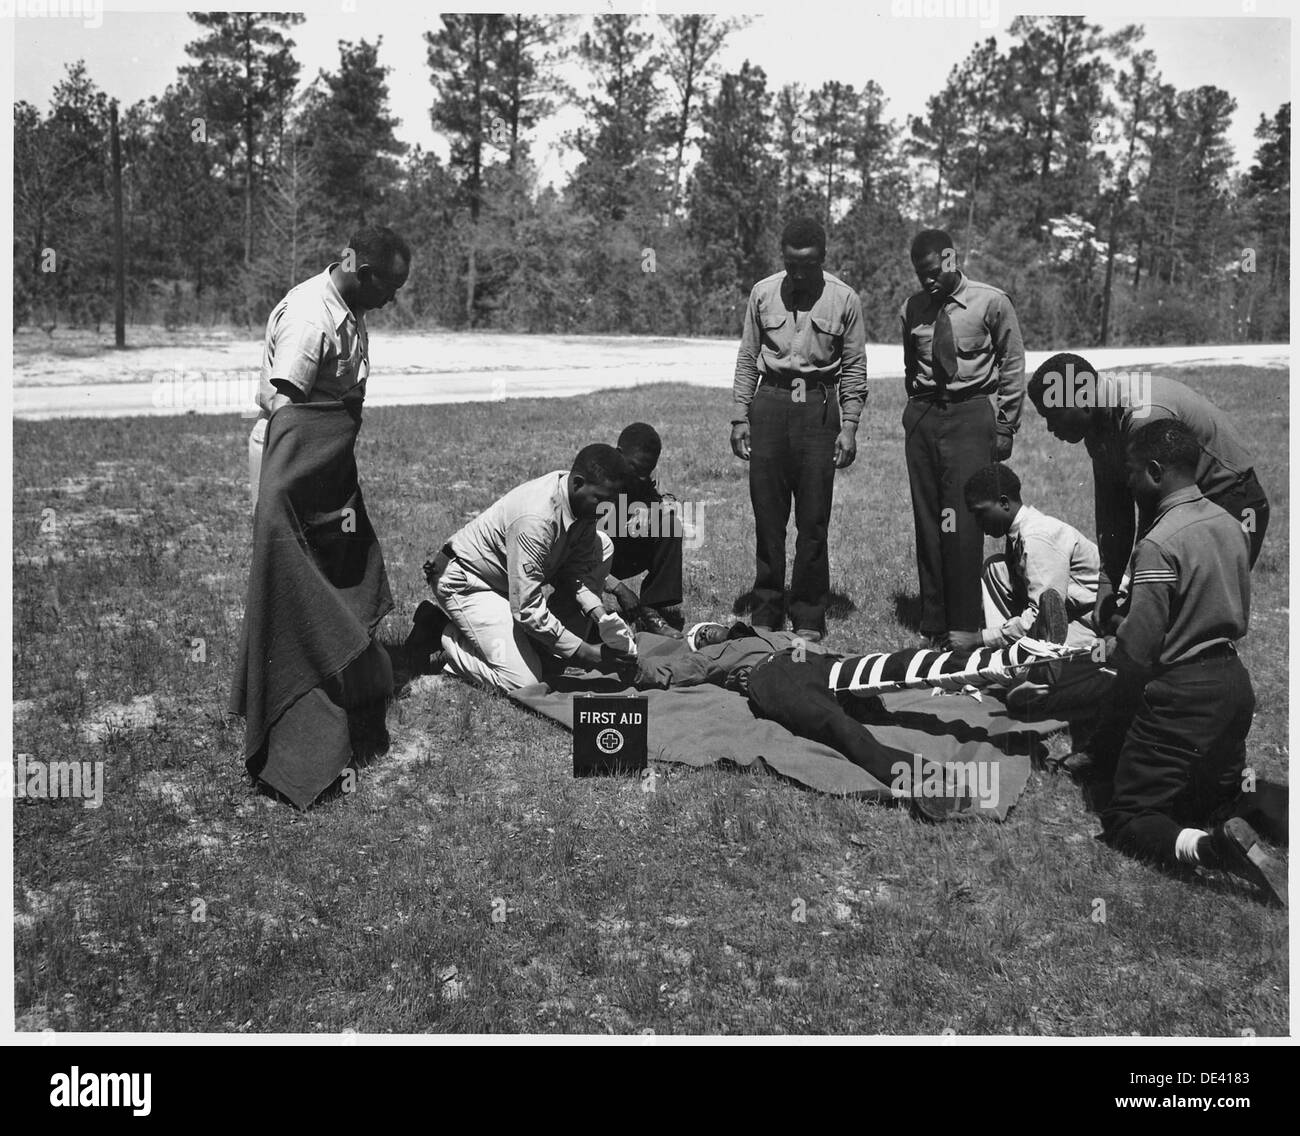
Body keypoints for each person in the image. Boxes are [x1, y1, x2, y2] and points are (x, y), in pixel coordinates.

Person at [229, 226, 411, 810]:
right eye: (387, 284)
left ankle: (331, 672)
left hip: (321, 464)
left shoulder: (348, 307)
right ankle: (288, 709)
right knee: (293, 584)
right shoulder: (313, 316)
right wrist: (286, 503)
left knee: (335, 574)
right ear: (357, 264)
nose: (390, 298)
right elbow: (289, 414)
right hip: (292, 468)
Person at [1081, 419, 1285, 906]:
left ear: (1154, 471)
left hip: (1182, 694)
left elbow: (1141, 646)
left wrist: (1115, 640)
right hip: (1234, 683)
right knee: (1217, 797)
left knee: (1128, 816)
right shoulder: (1227, 521)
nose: (1127, 483)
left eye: (1132, 473)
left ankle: (1213, 850)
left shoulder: (1158, 541)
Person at [1028, 352, 1269, 634]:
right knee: (1152, 627)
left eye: (1052, 416)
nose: (1050, 428)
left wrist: (1132, 602)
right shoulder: (1097, 421)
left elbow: (1157, 521)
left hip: (1232, 503)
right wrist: (1107, 588)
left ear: (1081, 400)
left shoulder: (1143, 414)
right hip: (1188, 511)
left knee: (1191, 628)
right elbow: (1113, 512)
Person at [730, 217, 866, 642]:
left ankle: (808, 614)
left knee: (813, 520)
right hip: (770, 406)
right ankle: (766, 609)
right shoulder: (763, 293)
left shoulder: (845, 299)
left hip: (817, 410)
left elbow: (855, 368)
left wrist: (849, 427)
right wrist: (740, 416)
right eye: (791, 265)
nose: (799, 274)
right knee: (768, 518)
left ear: (822, 260)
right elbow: (748, 357)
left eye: (807, 265)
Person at [407, 444, 637, 692]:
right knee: (523, 682)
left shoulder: (582, 502)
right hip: (468, 581)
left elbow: (576, 574)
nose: (607, 508)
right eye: (602, 499)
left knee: (602, 545)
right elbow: (527, 609)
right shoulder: (536, 519)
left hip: (508, 583)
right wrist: (584, 652)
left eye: (612, 500)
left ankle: (545, 648)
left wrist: (600, 615)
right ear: (578, 483)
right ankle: (439, 628)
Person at [901, 229, 1025, 648]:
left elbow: (1012, 364)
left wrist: (1005, 424)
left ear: (952, 260)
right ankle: (933, 621)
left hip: (971, 415)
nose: (928, 282)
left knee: (964, 519)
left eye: (934, 272)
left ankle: (965, 624)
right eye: (921, 275)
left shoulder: (992, 302)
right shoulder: (914, 308)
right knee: (929, 518)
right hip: (923, 416)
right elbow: (909, 363)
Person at [959, 462, 1100, 651]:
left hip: (1097, 618)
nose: (978, 523)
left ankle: (1011, 653)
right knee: (996, 568)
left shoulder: (1037, 537)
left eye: (980, 513)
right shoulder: (1020, 531)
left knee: (1039, 665)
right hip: (1068, 611)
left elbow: (1045, 615)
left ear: (1004, 503)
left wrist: (980, 638)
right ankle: (1008, 650)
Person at [602, 423, 684, 639]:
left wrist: (652, 509)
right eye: (636, 469)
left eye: (647, 471)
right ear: (619, 454)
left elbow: (670, 501)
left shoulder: (646, 471)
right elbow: (578, 552)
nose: (642, 476)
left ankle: (651, 610)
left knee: (670, 525)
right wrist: (618, 587)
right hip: (590, 561)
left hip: (624, 552)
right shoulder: (597, 479)